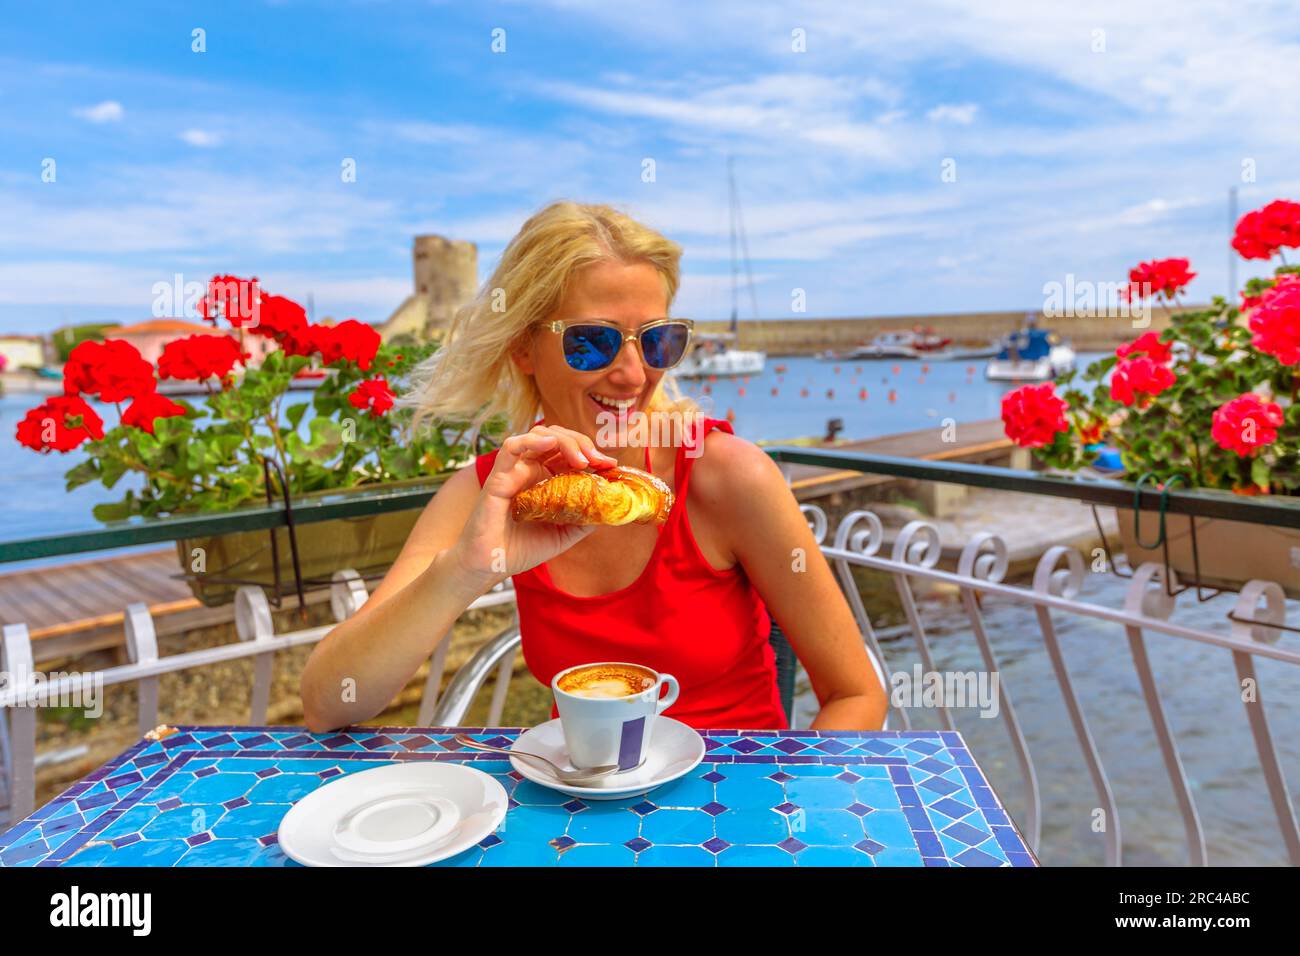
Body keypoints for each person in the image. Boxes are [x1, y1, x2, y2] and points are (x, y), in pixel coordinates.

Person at [300, 201, 888, 733]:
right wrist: (464, 571)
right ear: (523, 348)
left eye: (657, 341)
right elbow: (331, 702)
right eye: (592, 342)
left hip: (731, 811)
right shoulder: (495, 491)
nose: (634, 374)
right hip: (580, 806)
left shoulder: (725, 476)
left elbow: (857, 693)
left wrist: (791, 816)